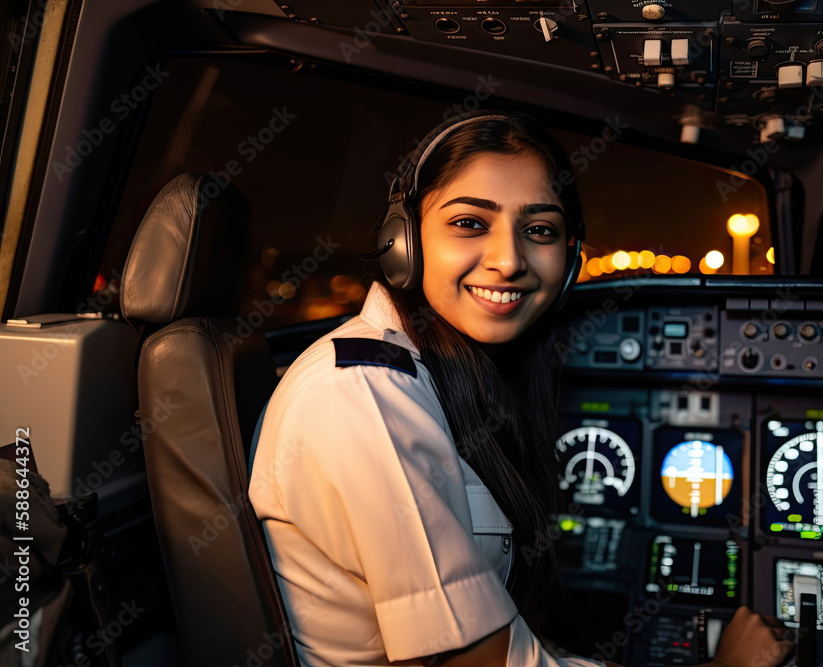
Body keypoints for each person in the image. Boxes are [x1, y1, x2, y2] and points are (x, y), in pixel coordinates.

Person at [249, 110, 791, 667]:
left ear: (571, 261)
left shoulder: (425, 373)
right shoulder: (364, 395)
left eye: (539, 230)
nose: (509, 261)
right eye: (469, 223)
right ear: (402, 242)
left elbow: (507, 647)